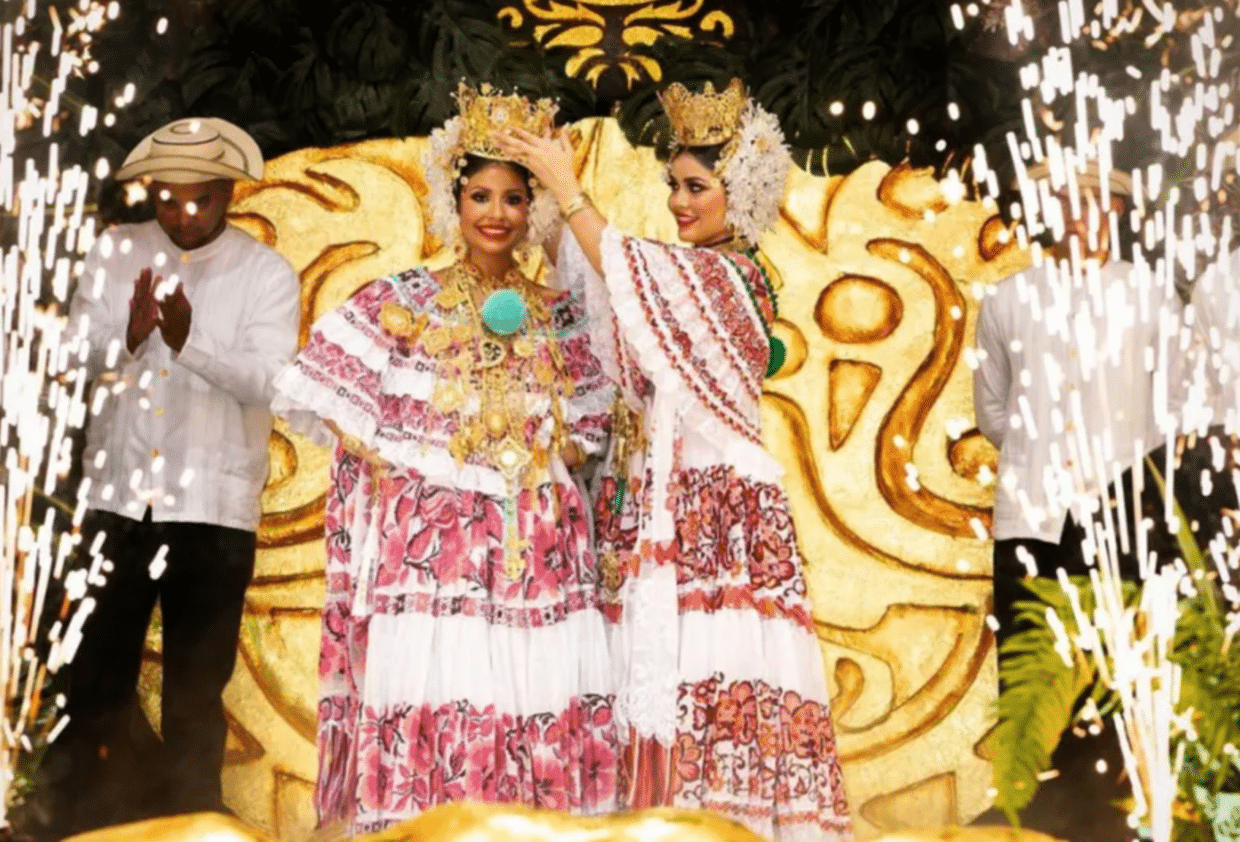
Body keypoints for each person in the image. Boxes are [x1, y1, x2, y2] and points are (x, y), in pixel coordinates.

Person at [498, 79, 853, 841]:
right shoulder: (685, 273)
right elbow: (610, 292)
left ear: (741, 192)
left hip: (719, 514)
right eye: (674, 186)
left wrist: (572, 190)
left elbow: (631, 273)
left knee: (715, 682)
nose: (680, 202)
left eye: (697, 186)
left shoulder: (735, 279)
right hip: (671, 503)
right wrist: (555, 199)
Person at [270, 83, 618, 835]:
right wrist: (411, 482)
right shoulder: (405, 302)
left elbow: (596, 428)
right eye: (481, 195)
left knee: (537, 695)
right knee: (449, 686)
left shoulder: (564, 316)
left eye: (514, 199)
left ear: (534, 212)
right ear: (453, 201)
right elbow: (329, 404)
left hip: (538, 551)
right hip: (438, 559)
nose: (496, 213)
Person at [52, 118, 300, 834]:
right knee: (94, 678)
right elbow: (69, 361)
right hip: (116, 503)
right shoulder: (115, 250)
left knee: (196, 692)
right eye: (167, 199)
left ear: (227, 195)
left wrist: (192, 346)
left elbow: (268, 384)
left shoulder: (264, 273)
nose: (182, 214)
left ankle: (195, 825)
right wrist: (129, 337)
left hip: (213, 510)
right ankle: (80, 823)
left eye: (199, 200)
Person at [971, 163, 1181, 841]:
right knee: (1030, 691)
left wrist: (1114, 464)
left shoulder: (1150, 294)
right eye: (1068, 197)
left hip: (1119, 520)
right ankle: (1034, 826)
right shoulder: (1006, 299)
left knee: (1111, 688)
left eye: (1097, 200)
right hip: (1029, 518)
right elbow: (993, 410)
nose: (1082, 211)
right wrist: (1040, 458)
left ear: (1118, 209)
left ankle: (1109, 828)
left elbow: (1173, 407)